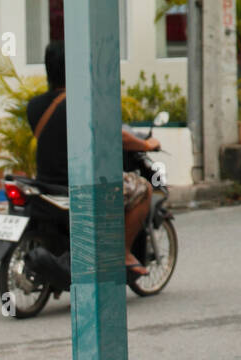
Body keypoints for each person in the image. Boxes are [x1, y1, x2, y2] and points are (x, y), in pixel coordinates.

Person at [26, 40, 160, 276]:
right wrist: (146, 144)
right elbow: (116, 137)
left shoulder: (34, 106)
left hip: (47, 183)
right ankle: (124, 253)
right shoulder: (82, 104)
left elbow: (60, 138)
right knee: (143, 189)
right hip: (80, 184)